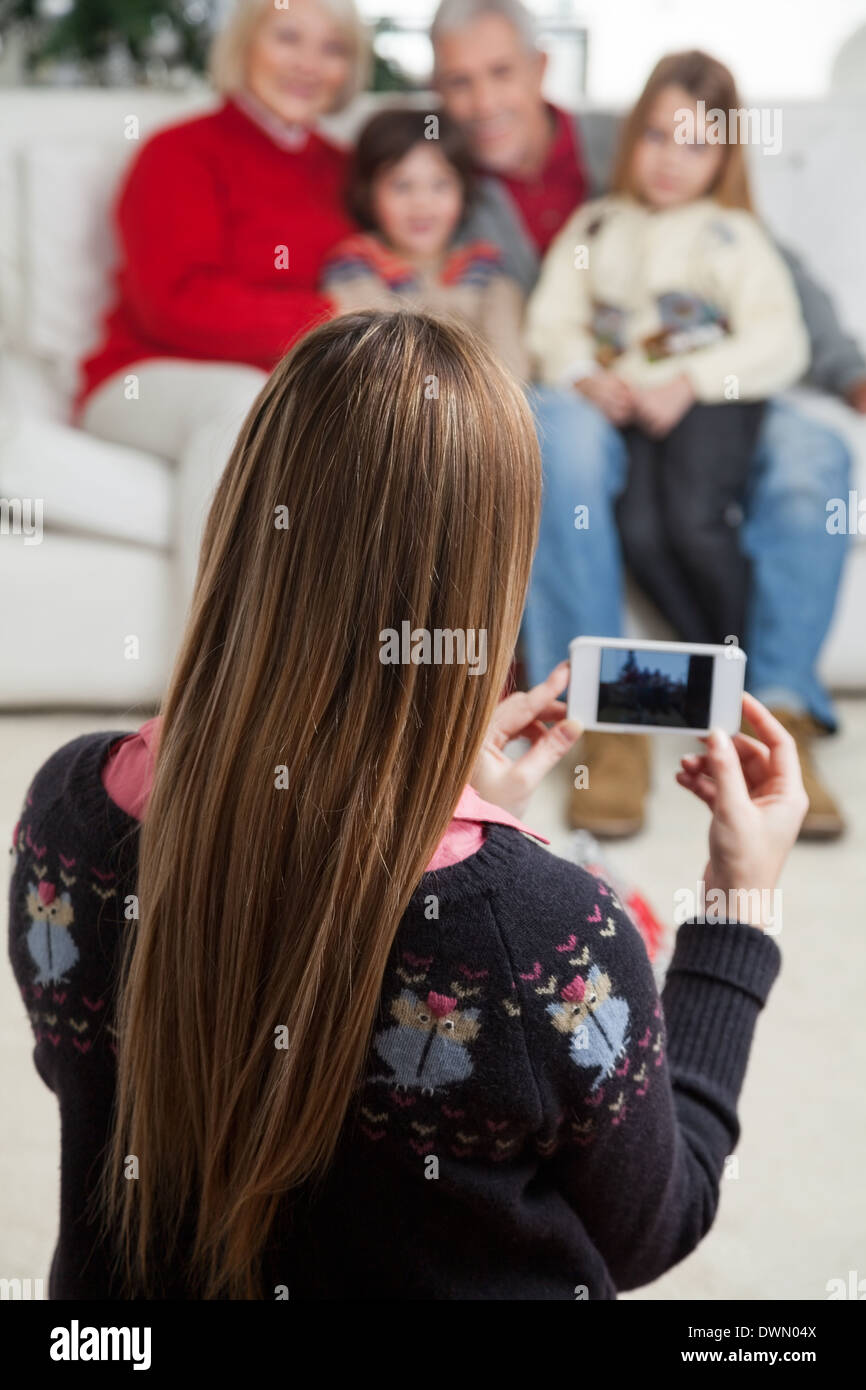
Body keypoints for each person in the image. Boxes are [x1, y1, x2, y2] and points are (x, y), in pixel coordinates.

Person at [8, 311, 807, 1301]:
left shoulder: (67, 810)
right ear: (490, 573)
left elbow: (95, 1083)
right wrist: (737, 905)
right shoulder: (542, 932)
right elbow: (652, 1223)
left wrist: (445, 805)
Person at [431, 0, 861, 840]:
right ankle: (605, 713)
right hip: (584, 393)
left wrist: (845, 371)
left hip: (712, 398)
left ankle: (778, 712)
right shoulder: (453, 179)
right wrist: (587, 374)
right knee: (558, 434)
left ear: (541, 70)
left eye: (499, 74)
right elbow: (540, 322)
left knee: (816, 451)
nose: (481, 101)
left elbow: (777, 296)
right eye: (457, 81)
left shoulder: (620, 138)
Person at [75, 0, 369, 635]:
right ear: (244, 46)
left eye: (332, 47)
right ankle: (208, 698)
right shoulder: (179, 153)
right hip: (146, 379)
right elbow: (173, 307)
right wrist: (329, 315)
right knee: (246, 403)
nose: (309, 65)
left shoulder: (350, 174)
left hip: (298, 387)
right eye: (288, 36)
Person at [527, 51, 810, 648]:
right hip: (629, 410)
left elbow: (779, 337)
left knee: (694, 523)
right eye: (657, 136)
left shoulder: (731, 234)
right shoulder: (596, 225)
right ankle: (716, 665)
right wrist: (583, 377)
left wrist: (691, 383)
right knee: (640, 531)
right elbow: (554, 320)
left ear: (724, 156)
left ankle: (743, 665)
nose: (670, 160)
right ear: (632, 134)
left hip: (710, 406)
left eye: (695, 145)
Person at [322, 108, 528, 379]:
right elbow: (375, 359)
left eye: (440, 185)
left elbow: (511, 365)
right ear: (369, 194)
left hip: (482, 409)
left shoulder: (486, 267)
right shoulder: (354, 264)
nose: (422, 203)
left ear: (463, 193)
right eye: (402, 186)